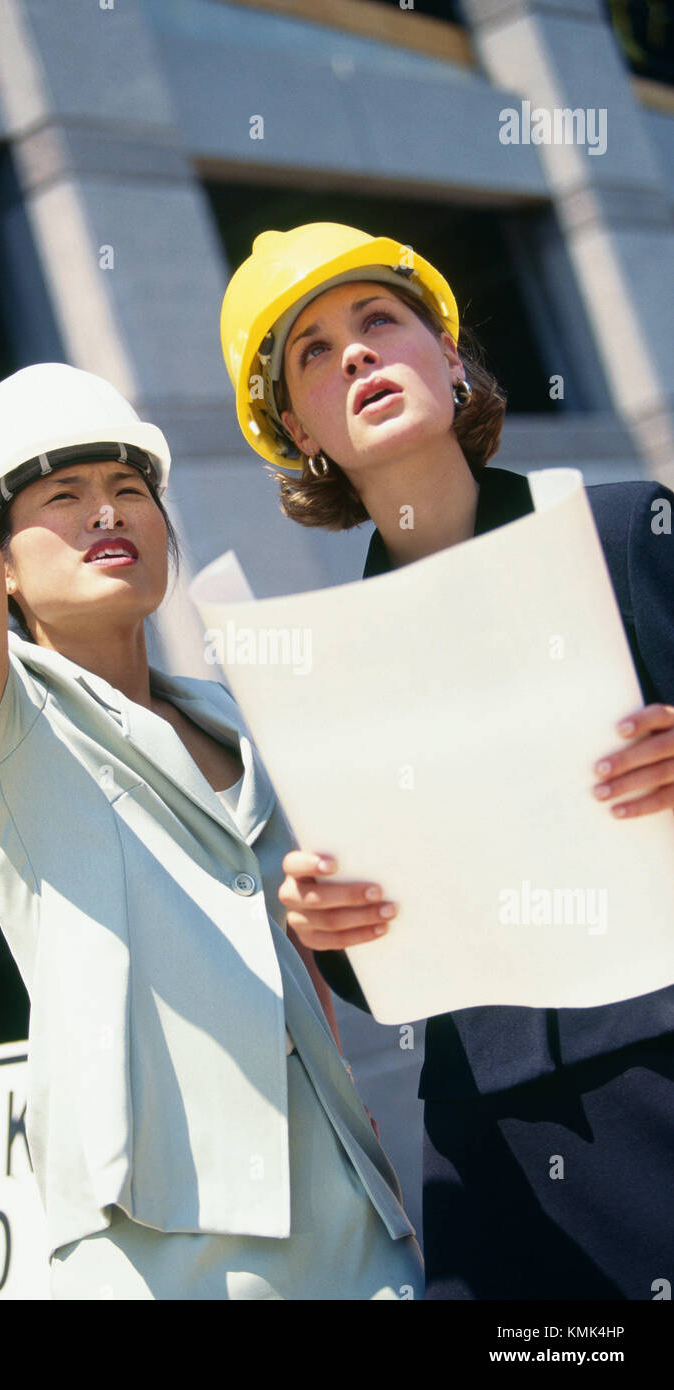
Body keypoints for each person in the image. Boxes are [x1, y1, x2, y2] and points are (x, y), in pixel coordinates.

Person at [0, 120, 424, 1300]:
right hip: (153, 1253)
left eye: (129, 489)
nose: (109, 513)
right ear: (7, 565)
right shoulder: (1, 724)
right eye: (62, 497)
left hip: (358, 1225)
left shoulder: (245, 712)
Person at [219, 221, 674, 1300]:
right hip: (492, 1141)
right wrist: (327, 928)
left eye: (379, 321)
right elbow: (386, 970)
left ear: (448, 355)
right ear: (297, 429)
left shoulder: (623, 532)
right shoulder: (318, 669)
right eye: (315, 352)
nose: (356, 355)